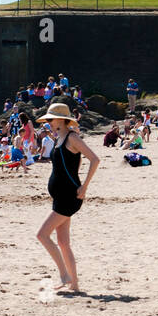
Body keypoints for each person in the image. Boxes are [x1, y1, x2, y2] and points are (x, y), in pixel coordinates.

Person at [34, 103, 100, 292]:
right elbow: (70, 165)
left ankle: (64, 274)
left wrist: (84, 186)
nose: (48, 122)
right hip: (60, 196)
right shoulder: (58, 138)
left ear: (62, 119)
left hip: (69, 197)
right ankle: (74, 285)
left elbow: (94, 159)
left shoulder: (72, 137)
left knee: (42, 235)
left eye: (51, 118)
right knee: (63, 242)